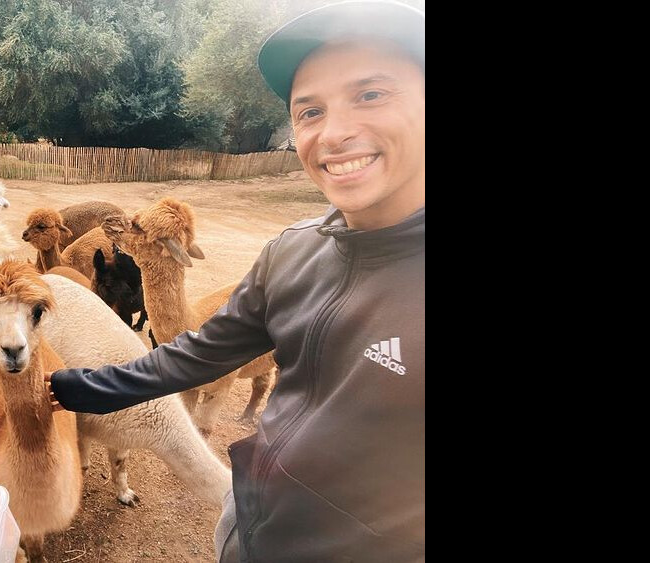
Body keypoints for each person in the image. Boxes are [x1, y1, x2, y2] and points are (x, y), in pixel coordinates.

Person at [45, 1, 424, 561]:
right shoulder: (294, 252)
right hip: (249, 525)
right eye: (309, 111)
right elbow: (195, 353)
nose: (335, 133)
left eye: (371, 94)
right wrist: (80, 387)